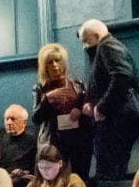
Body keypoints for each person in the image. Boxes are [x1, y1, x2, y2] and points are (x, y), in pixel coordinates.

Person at [80, 20, 139, 178]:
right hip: (120, 120)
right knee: (114, 168)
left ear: (96, 35)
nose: (84, 46)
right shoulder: (110, 46)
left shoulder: (107, 46)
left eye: (86, 40)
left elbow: (121, 77)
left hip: (116, 121)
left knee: (109, 170)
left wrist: (101, 107)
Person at [34, 43, 95, 178]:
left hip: (80, 140)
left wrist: (80, 109)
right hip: (55, 142)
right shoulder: (40, 89)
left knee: (81, 179)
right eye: (50, 62)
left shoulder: (78, 84)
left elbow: (88, 105)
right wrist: (47, 99)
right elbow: (36, 119)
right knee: (56, 180)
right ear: (44, 67)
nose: (55, 65)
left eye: (57, 60)